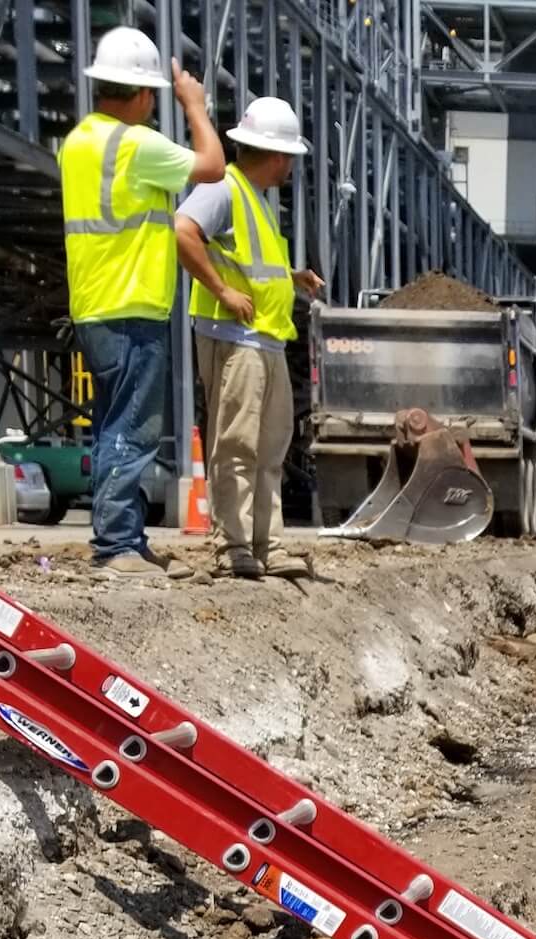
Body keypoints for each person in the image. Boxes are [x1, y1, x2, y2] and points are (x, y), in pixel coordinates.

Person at [60, 26, 224, 578]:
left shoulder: (80, 141)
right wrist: (196, 105)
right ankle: (118, 545)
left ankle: (123, 535)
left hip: (95, 304)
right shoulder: (136, 145)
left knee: (114, 424)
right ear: (143, 94)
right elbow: (213, 165)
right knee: (132, 428)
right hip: (133, 308)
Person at [174, 97, 323, 579]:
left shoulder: (255, 199)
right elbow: (182, 232)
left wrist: (291, 277)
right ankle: (233, 544)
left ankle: (267, 544)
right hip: (235, 338)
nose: (291, 170)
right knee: (236, 444)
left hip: (266, 339)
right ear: (277, 156)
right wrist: (221, 291)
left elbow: (249, 263)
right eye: (290, 161)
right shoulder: (223, 189)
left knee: (270, 448)